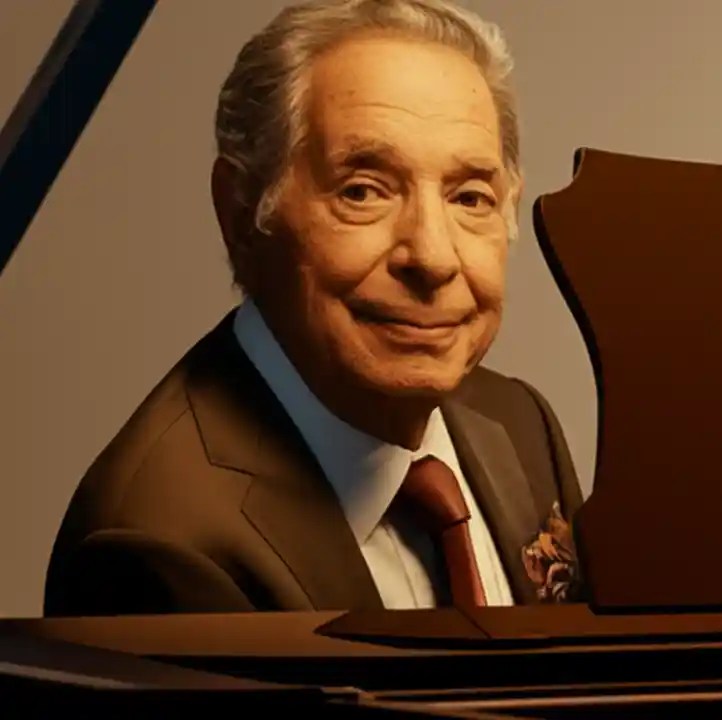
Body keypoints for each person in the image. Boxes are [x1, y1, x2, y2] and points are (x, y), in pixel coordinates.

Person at [43, 0, 584, 616]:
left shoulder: (518, 422)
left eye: (470, 197)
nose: (433, 256)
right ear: (243, 213)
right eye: (363, 191)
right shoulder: (155, 545)